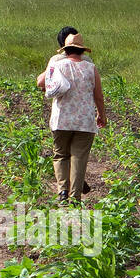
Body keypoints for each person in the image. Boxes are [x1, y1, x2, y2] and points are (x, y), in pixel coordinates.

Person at [42, 33, 107, 205]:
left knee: (60, 155)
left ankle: (62, 191)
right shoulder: (91, 68)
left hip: (61, 119)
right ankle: (75, 197)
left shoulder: (57, 65)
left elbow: (45, 86)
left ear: (66, 50)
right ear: (81, 51)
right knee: (79, 157)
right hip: (84, 121)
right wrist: (101, 115)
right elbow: (98, 96)